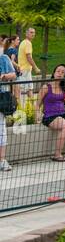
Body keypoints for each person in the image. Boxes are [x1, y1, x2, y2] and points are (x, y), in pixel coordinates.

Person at [38, 65, 65, 161]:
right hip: (50, 116)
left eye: (62, 72)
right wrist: (37, 116)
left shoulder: (62, 87)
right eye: (58, 71)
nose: (60, 74)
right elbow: (37, 104)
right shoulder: (46, 87)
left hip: (62, 114)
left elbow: (62, 98)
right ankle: (57, 155)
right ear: (54, 73)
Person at [0, 41, 17, 173]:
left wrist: (4, 76)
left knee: (1, 129)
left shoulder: (4, 58)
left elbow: (14, 74)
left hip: (1, 98)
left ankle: (2, 160)